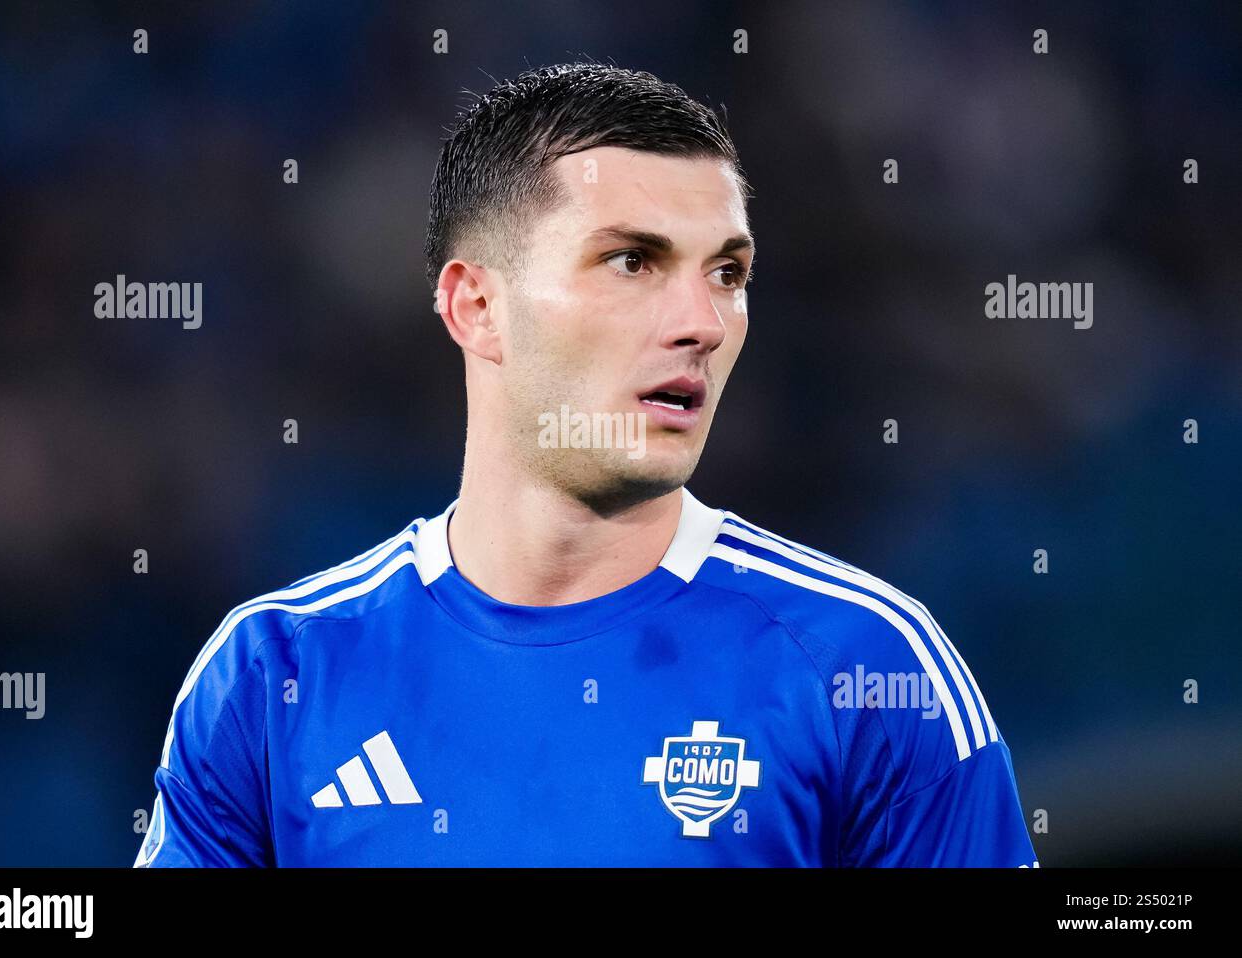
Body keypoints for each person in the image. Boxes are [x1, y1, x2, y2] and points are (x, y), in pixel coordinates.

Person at [135, 62, 1037, 867]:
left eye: (727, 272)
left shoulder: (869, 666)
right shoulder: (274, 676)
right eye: (633, 261)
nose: (703, 322)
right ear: (477, 307)